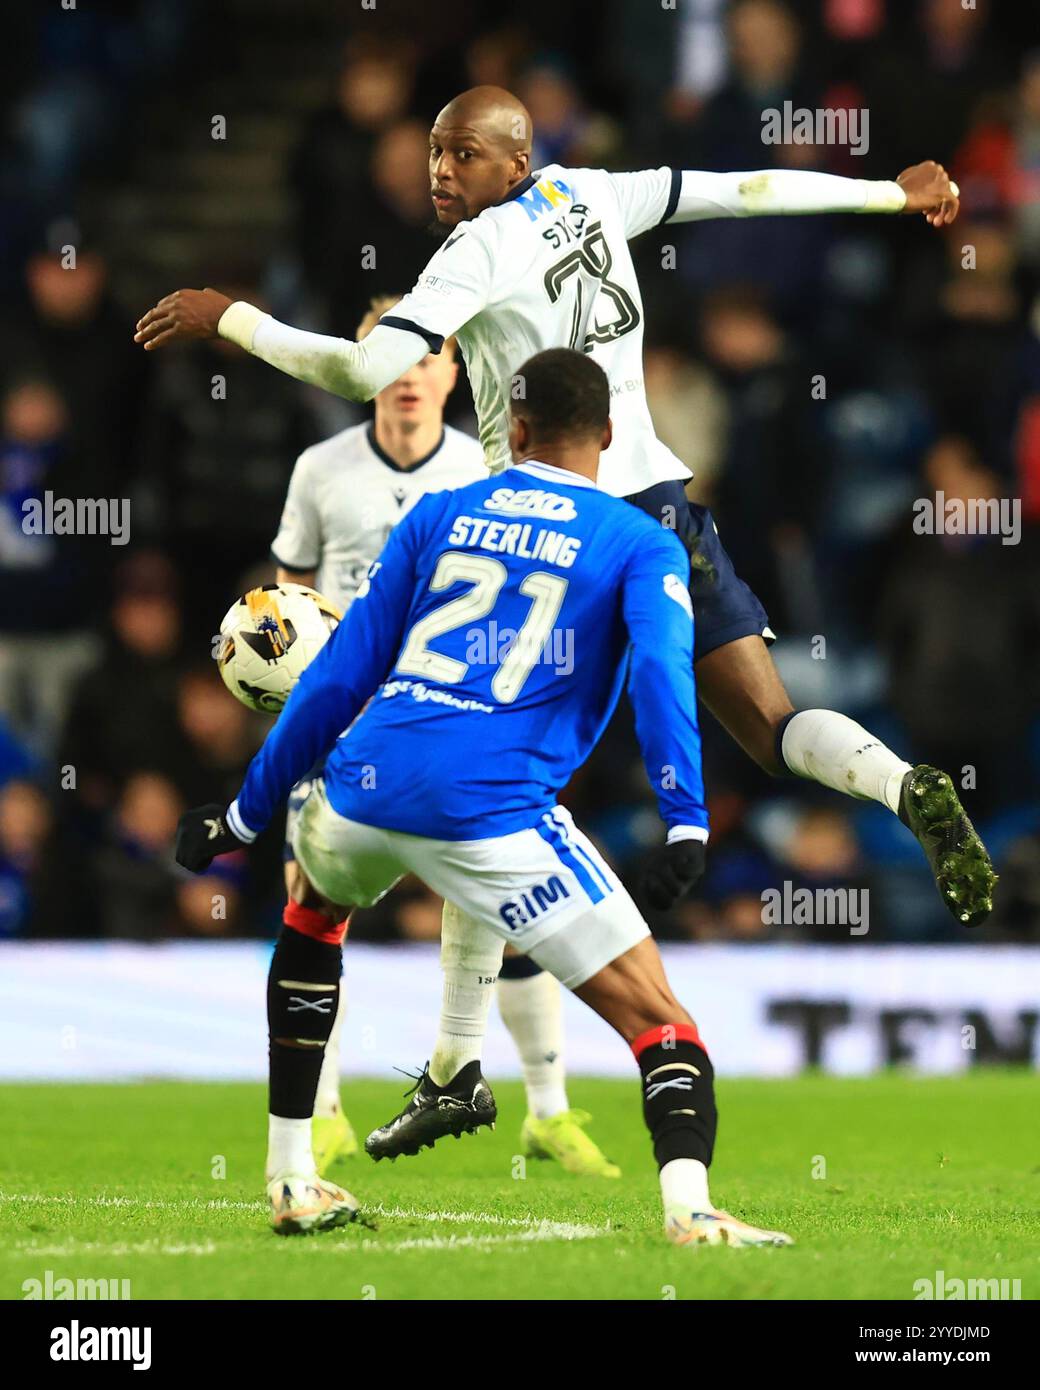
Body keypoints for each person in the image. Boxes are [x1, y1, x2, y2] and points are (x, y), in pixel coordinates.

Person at [137, 84, 996, 1152]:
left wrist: (234, 317)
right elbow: (738, 192)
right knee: (768, 729)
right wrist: (885, 193)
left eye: (459, 155)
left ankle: (458, 1067)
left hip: (547, 534)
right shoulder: (597, 191)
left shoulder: (474, 254)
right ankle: (896, 782)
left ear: (510, 159)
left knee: (476, 780)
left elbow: (366, 367)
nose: (437, 171)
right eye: (434, 153)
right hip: (663, 515)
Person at [175, 349, 790, 1248]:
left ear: (516, 429)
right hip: (490, 809)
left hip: (365, 786)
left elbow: (339, 677)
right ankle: (690, 1211)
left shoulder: (440, 513)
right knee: (662, 1021)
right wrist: (685, 816)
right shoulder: (640, 540)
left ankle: (291, 1177)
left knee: (312, 912)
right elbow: (662, 673)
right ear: (612, 436)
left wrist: (242, 816)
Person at [272, 296, 619, 1178]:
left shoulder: (485, 468)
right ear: (363, 368)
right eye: (388, 355)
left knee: (503, 915)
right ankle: (323, 1113)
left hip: (463, 718)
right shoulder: (319, 469)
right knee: (314, 902)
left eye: (429, 356)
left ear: (455, 372)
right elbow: (290, 599)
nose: (409, 373)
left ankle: (548, 1109)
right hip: (351, 721)